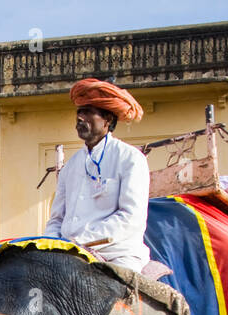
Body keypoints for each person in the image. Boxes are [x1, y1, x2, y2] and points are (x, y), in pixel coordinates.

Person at [44, 78, 151, 272]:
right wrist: (53, 244)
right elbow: (56, 219)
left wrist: (81, 242)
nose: (80, 118)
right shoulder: (70, 167)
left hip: (117, 253)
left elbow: (130, 217)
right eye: (79, 112)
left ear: (107, 120)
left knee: (115, 297)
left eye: (88, 112)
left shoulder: (131, 159)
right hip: (68, 254)